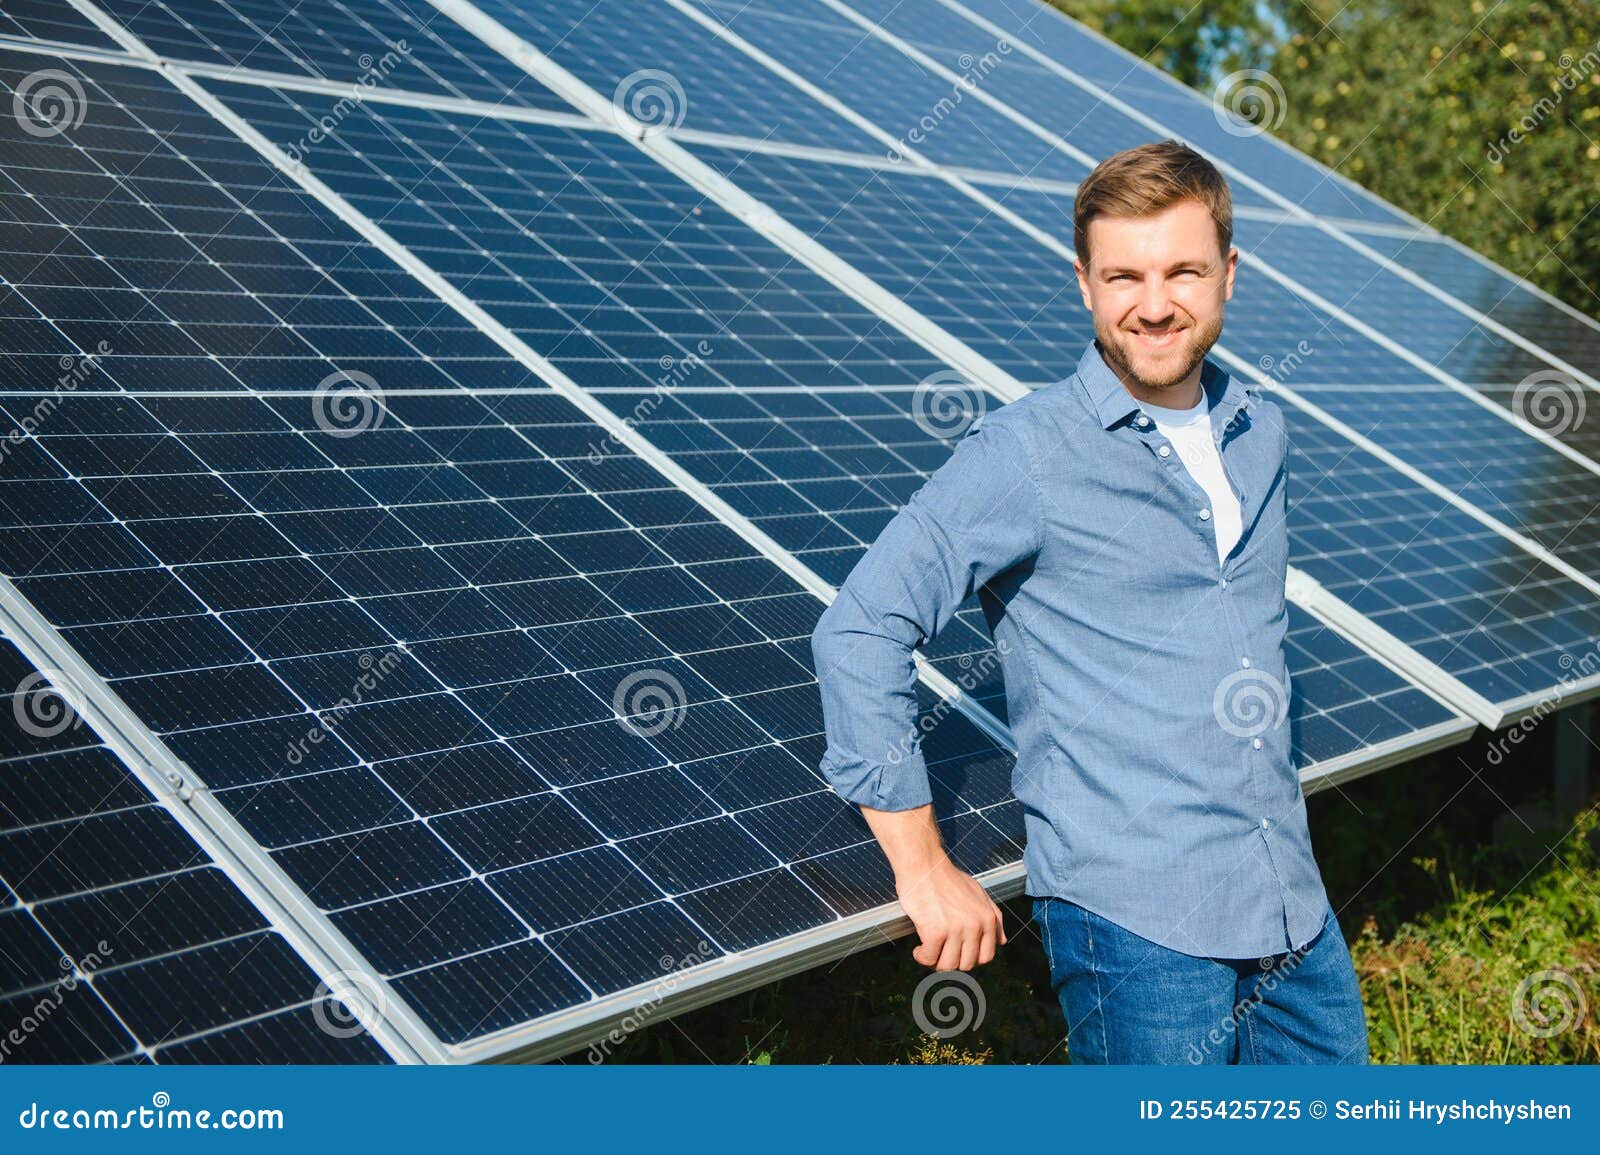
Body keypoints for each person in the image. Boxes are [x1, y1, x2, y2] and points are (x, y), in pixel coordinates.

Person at [809, 140, 1368, 1065]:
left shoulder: (1258, 432)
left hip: (1290, 904)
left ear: (1229, 273)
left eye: (1183, 270)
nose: (1153, 304)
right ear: (1084, 284)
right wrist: (923, 865)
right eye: (1123, 276)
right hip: (1137, 925)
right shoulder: (1024, 454)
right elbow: (860, 629)